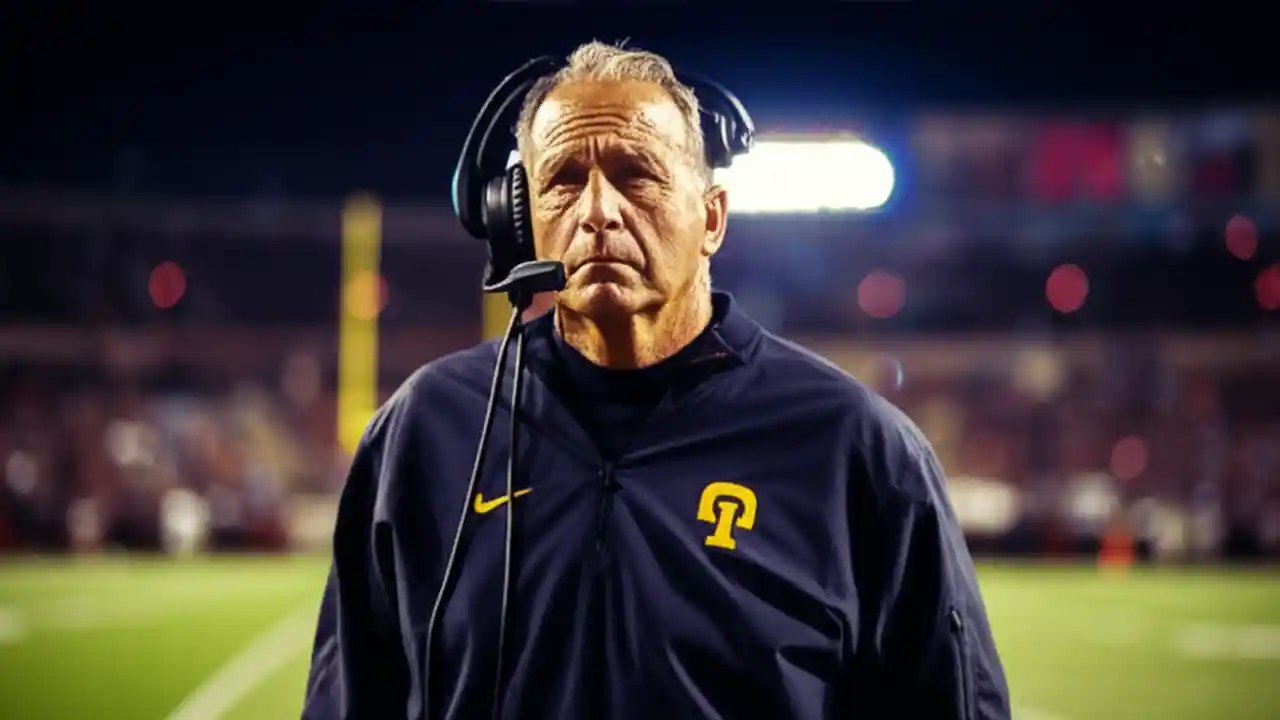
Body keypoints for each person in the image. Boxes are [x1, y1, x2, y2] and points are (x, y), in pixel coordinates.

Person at [301, 40, 1010, 719]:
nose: (599, 211)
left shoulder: (858, 449)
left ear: (712, 218)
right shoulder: (425, 431)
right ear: (517, 223)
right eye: (564, 180)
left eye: (635, 174)